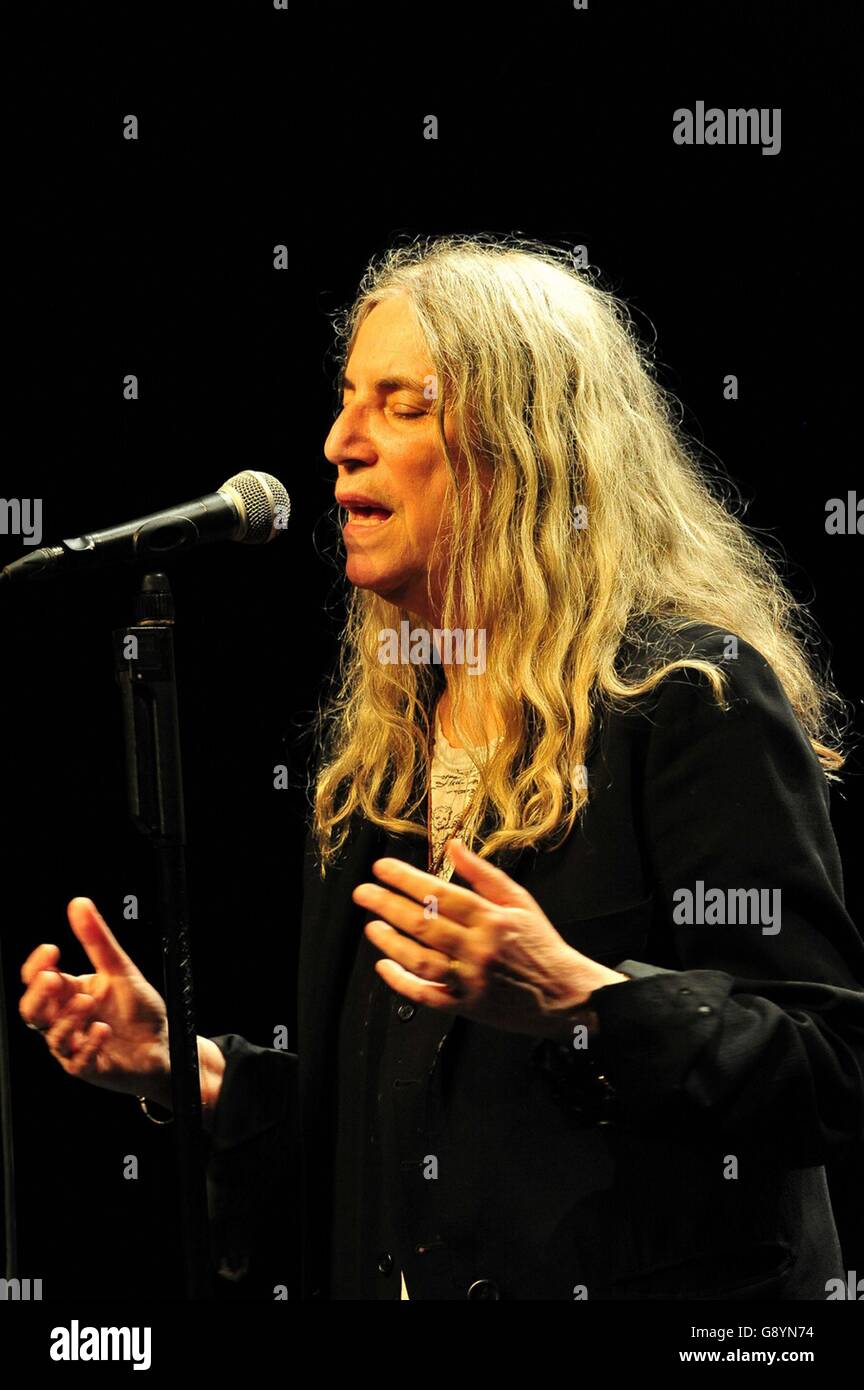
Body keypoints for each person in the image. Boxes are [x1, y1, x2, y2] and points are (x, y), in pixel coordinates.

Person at [19, 235, 864, 1300]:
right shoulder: (383, 755)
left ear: (528, 446)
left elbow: (831, 1065)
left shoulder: (688, 697)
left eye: (401, 406)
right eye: (345, 400)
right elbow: (404, 1136)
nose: (339, 441)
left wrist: (589, 1000)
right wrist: (202, 1075)